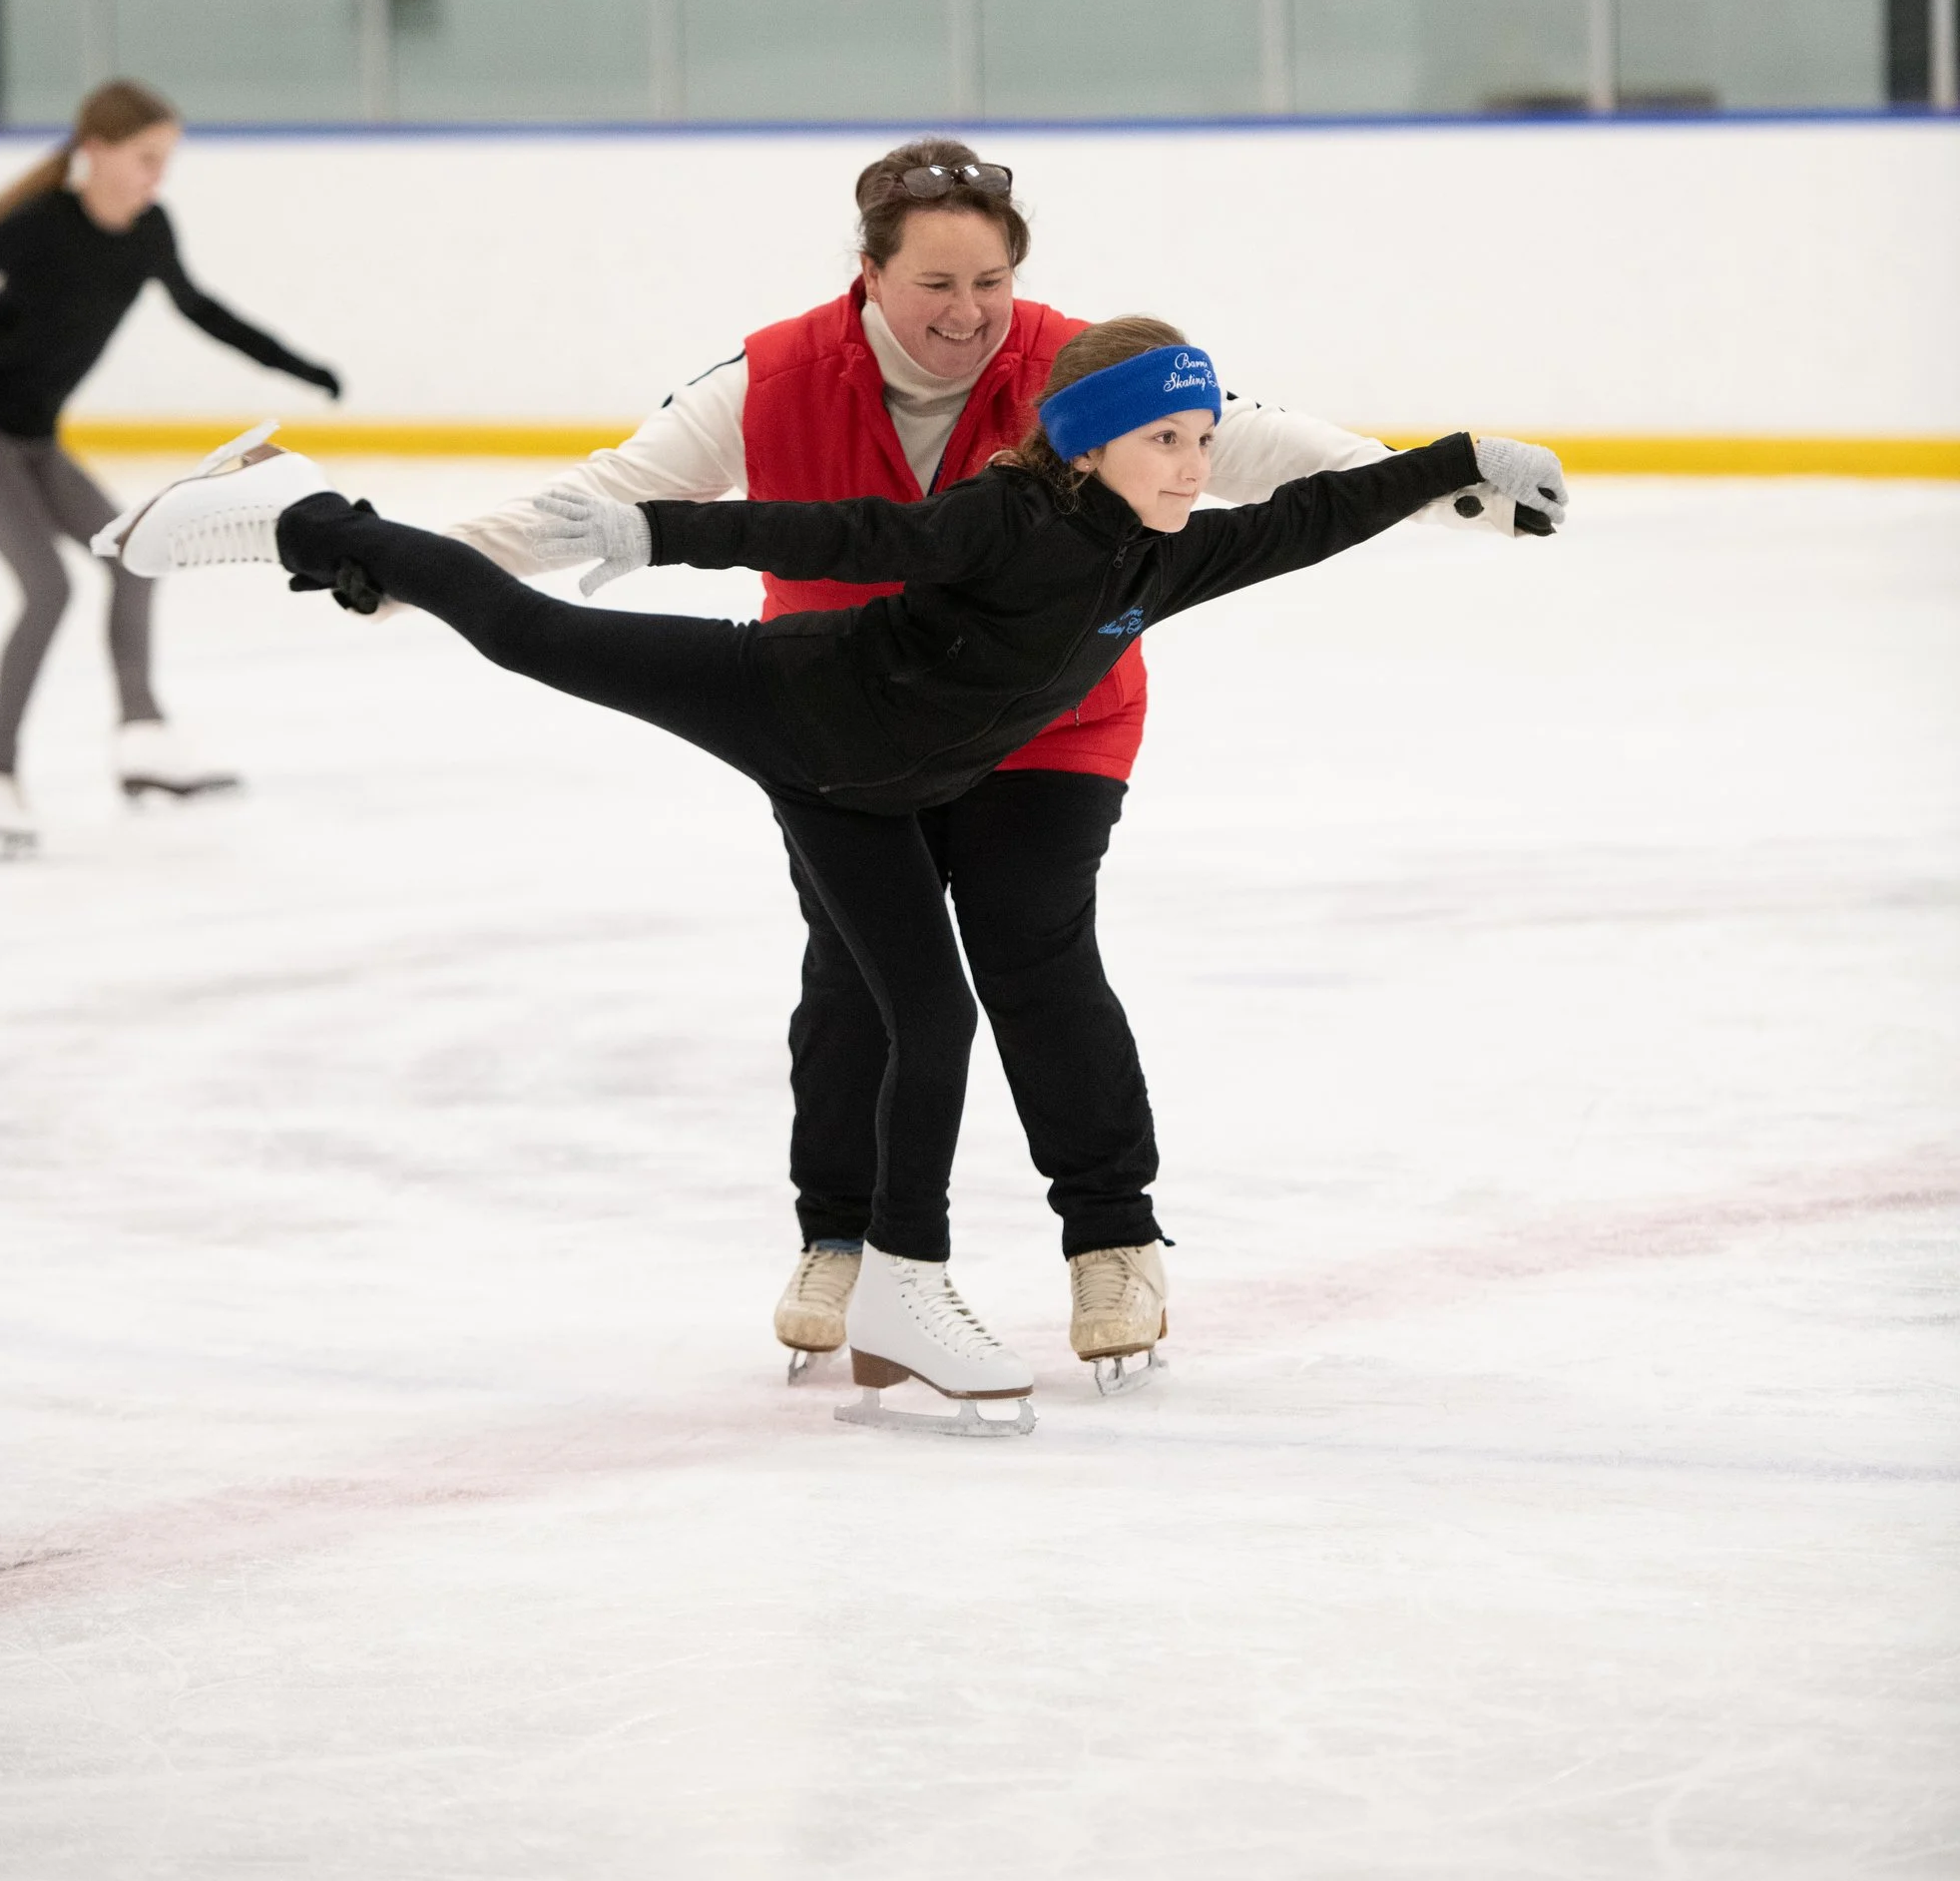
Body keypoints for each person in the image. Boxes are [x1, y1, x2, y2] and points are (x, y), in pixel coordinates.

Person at [99, 330, 1567, 1434]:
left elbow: (1309, 519)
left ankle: (897, 1284)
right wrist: (658, 531)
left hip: (882, 797)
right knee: (521, 630)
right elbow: (847, 534)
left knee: (932, 1023)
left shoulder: (1158, 556)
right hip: (793, 711)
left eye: (1199, 438)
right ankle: (303, 513)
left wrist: (1456, 462)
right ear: (1094, 444)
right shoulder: (1015, 520)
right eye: (1168, 441)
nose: (1195, 465)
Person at [442, 139, 1550, 1390]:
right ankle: (840, 1241)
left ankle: (1111, 1241)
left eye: (990, 285)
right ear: (866, 275)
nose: (967, 316)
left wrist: (1462, 487)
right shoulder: (772, 376)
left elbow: (1271, 456)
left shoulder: (1077, 367)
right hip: (850, 723)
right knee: (858, 979)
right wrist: (407, 572)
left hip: (1053, 724)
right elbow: (622, 496)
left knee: (1031, 949)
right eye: (934, 288)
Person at [0, 79, 341, 853]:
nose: (156, 177)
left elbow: (200, 309)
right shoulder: (44, 223)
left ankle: (143, 741)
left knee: (135, 556)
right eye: (145, 158)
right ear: (95, 152)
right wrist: (0, 315)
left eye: (164, 161)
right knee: (47, 589)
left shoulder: (147, 230)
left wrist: (297, 366)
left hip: (36, 436)